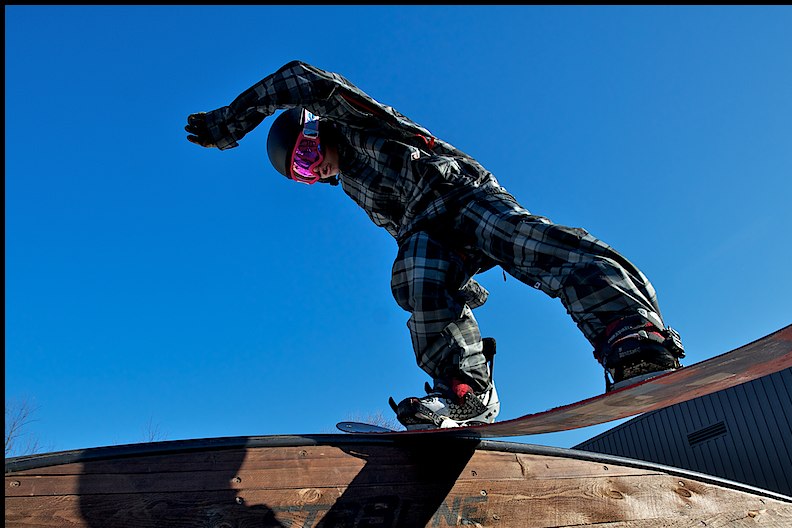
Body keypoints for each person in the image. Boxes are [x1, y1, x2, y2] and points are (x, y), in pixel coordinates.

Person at [185, 61, 684, 429]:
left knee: (523, 241)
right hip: (429, 230)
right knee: (415, 272)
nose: (317, 168)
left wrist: (231, 123)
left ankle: (632, 336)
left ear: (319, 128)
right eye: (303, 171)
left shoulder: (360, 125)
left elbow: (300, 79)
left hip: (459, 193)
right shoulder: (356, 188)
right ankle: (466, 389)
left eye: (311, 150)